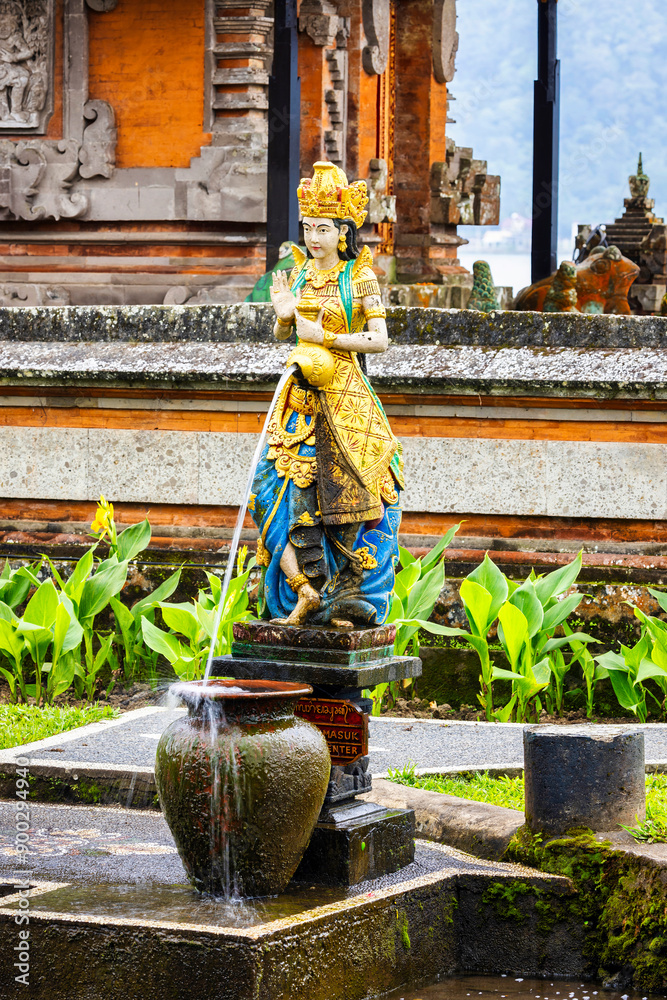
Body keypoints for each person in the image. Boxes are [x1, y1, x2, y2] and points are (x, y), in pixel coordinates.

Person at [249, 161, 404, 628]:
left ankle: (339, 590)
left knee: (344, 497)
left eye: (323, 229)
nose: (313, 237)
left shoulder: (360, 277)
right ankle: (302, 590)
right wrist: (283, 316)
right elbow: (285, 333)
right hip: (298, 400)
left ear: (343, 233)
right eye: (308, 227)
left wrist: (328, 338)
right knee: (269, 492)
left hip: (344, 397)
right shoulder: (298, 274)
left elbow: (380, 340)